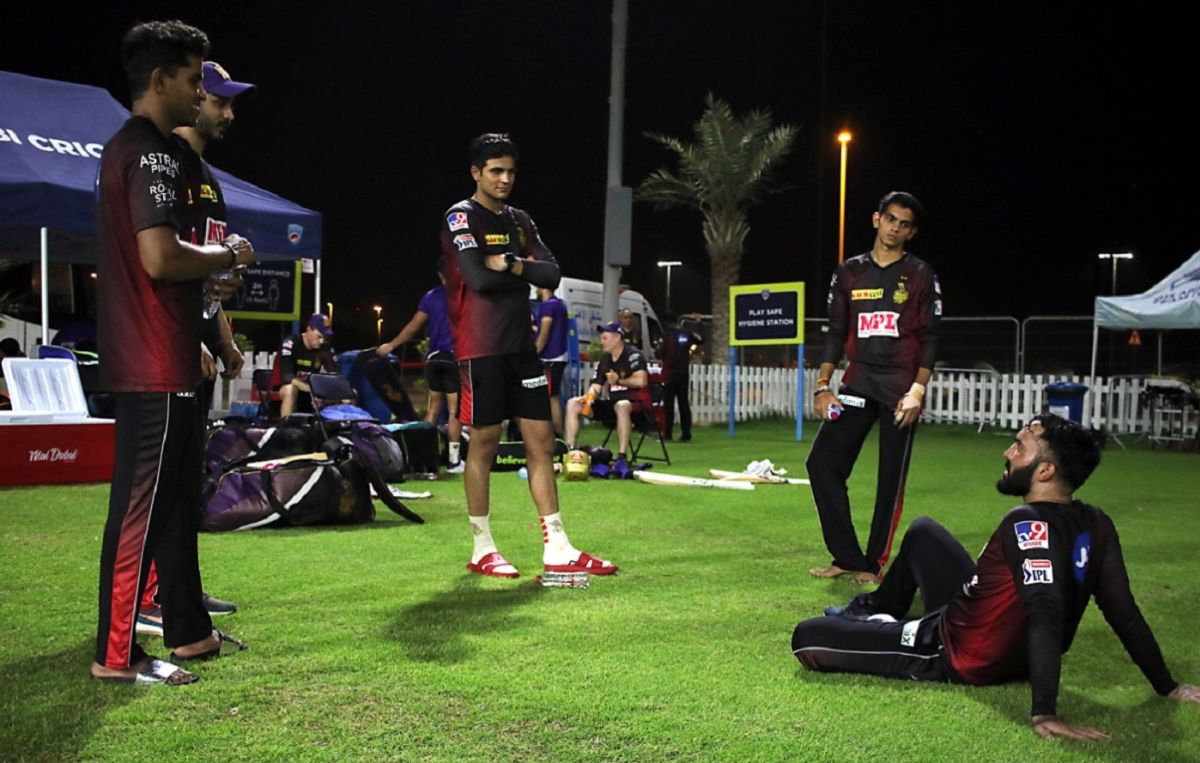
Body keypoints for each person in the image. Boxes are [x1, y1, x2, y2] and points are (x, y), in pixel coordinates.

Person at [793, 414, 1200, 741]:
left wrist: (1044, 712)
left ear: (1045, 471)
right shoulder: (1097, 522)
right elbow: (1123, 611)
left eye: (1019, 447)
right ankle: (875, 606)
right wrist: (1167, 685)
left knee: (807, 637)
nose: (1008, 452)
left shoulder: (1026, 522)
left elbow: (1045, 609)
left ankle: (883, 622)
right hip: (987, 630)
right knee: (922, 532)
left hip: (954, 652)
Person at [92, 20, 252, 685]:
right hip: (152, 359)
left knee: (167, 503)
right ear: (160, 82)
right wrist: (226, 254)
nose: (202, 92)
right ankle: (116, 654)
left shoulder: (145, 150)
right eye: (193, 80)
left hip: (165, 357)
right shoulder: (148, 152)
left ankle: (182, 632)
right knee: (137, 513)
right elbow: (160, 257)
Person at [442, 132, 617, 579]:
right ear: (476, 173)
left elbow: (552, 272)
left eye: (510, 171)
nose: (504, 179)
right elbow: (478, 279)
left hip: (523, 351)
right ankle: (483, 546)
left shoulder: (520, 220)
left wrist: (515, 265)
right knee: (484, 443)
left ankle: (557, 546)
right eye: (495, 171)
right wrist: (518, 271)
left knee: (542, 443)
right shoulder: (460, 217)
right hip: (479, 349)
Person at [135, 60, 255, 636]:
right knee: (162, 487)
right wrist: (185, 337)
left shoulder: (204, 174)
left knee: (186, 484)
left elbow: (204, 272)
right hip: (163, 350)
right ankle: (157, 596)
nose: (229, 113)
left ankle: (183, 591)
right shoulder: (161, 165)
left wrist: (223, 336)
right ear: (191, 96)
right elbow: (160, 266)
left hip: (194, 341)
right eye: (220, 101)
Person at [806, 191, 941, 584]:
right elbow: (834, 332)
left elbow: (931, 338)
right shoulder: (849, 273)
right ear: (876, 219)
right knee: (822, 464)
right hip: (857, 382)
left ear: (911, 232)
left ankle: (873, 563)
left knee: (889, 481)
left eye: (904, 224)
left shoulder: (919, 275)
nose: (895, 228)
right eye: (890, 219)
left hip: (900, 389)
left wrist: (917, 391)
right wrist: (822, 385)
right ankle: (846, 555)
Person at [377, 268, 464, 473]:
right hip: (453, 358)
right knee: (454, 412)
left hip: (433, 360)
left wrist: (390, 345)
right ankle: (453, 461)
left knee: (433, 409)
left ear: (440, 274)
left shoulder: (430, 296)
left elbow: (413, 327)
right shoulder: (463, 295)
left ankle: (426, 462)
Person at [564, 322, 649, 467]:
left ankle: (622, 457)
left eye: (605, 338)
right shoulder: (606, 359)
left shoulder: (633, 355)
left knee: (621, 405)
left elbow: (641, 381)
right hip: (612, 405)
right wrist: (588, 398)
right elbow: (597, 386)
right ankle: (570, 452)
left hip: (634, 406)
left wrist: (619, 380)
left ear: (617, 338)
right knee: (573, 403)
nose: (601, 342)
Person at [278, 313, 337, 417]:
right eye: (319, 336)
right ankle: (285, 428)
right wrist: (313, 390)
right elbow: (287, 377)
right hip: (284, 388)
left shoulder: (324, 347)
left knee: (347, 393)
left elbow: (335, 374)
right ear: (309, 329)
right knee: (290, 389)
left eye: (324, 337)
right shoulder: (291, 343)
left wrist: (323, 395)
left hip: (311, 392)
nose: (322, 341)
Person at [658, 313, 702, 442]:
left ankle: (668, 434)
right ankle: (686, 433)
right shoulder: (686, 334)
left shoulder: (666, 336)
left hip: (669, 374)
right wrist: (699, 324)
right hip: (683, 374)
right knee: (683, 404)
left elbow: (659, 353)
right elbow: (700, 339)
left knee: (669, 406)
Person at [534, 286, 569, 437]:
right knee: (552, 395)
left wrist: (535, 352)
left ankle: (558, 433)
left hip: (550, 357)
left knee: (550, 396)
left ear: (542, 288)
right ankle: (558, 433)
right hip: (559, 355)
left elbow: (545, 333)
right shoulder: (560, 304)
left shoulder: (548, 306)